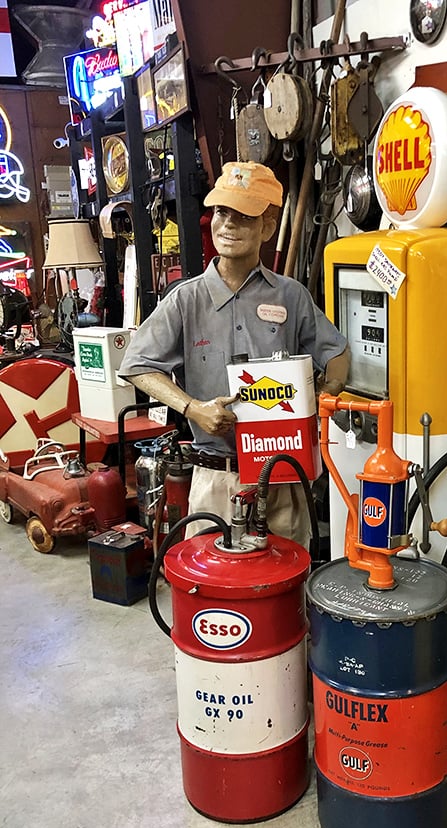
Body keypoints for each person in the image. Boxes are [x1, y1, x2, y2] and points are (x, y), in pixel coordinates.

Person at [118, 160, 349, 546]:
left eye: (243, 216)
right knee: (214, 580)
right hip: (215, 481)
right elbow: (137, 366)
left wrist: (326, 396)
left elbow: (337, 351)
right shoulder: (186, 300)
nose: (227, 225)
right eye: (222, 212)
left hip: (282, 478)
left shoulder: (290, 296)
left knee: (286, 578)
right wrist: (194, 408)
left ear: (268, 226)